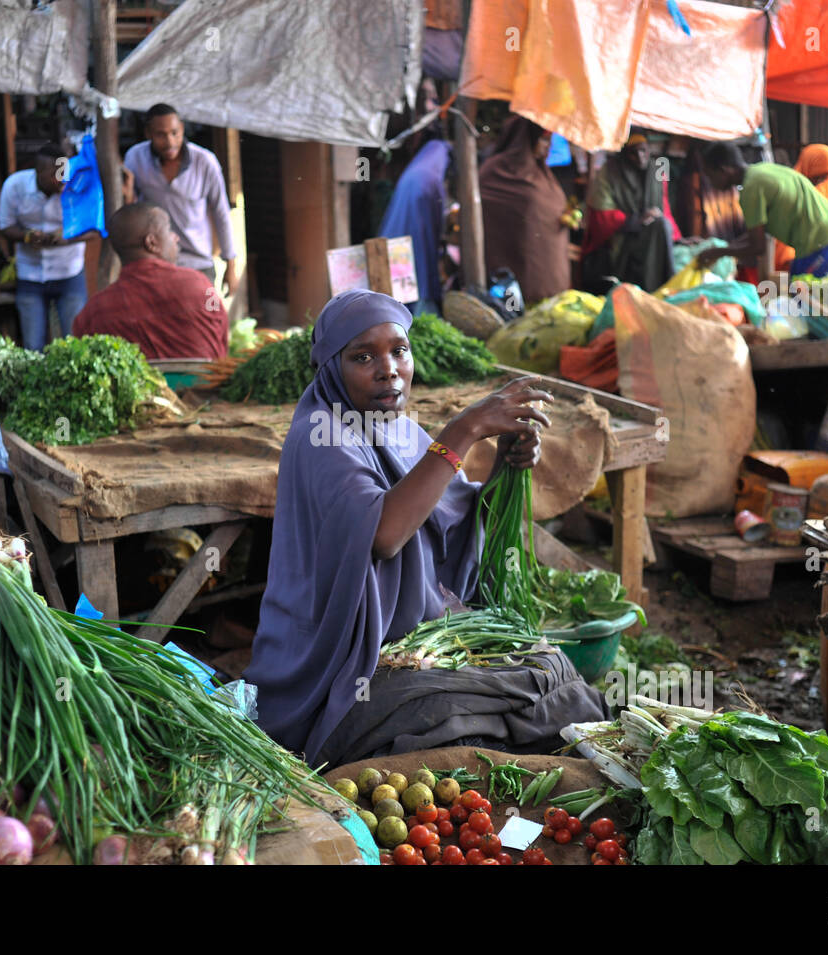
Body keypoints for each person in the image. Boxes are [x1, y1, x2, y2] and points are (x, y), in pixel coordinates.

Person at [244, 289, 607, 766]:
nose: (388, 368)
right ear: (331, 367)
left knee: (549, 669)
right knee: (482, 712)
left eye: (399, 350)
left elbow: (452, 523)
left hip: (411, 642)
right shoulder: (321, 436)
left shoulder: (398, 427)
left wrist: (505, 465)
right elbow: (387, 534)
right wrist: (463, 430)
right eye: (362, 357)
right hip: (344, 667)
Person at [72, 202, 228, 360]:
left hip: (136, 385)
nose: (176, 237)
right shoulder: (202, 286)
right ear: (152, 243)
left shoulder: (95, 311)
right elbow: (221, 337)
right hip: (204, 383)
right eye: (169, 230)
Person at [123, 103, 238, 294]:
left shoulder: (205, 162)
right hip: (156, 264)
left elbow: (221, 213)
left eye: (175, 133)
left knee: (201, 321)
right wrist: (127, 197)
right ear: (148, 133)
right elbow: (131, 213)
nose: (170, 141)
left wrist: (231, 265)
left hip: (199, 264)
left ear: (182, 130)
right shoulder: (135, 158)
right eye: (161, 135)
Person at [0, 143, 101, 351]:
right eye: (56, 175)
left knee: (74, 346)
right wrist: (27, 237)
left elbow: (96, 228)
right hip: (30, 275)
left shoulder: (78, 186)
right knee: (32, 347)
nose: (63, 181)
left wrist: (67, 238)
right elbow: (4, 226)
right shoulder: (15, 186)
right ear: (39, 172)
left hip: (69, 273)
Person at [697, 142, 828, 278]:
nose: (711, 183)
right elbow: (757, 233)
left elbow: (757, 246)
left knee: (813, 304)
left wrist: (717, 253)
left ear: (724, 170)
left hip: (821, 243)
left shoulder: (751, 189)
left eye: (710, 176)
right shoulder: (764, 170)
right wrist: (725, 248)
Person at [479, 115, 571, 304]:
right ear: (525, 139)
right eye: (544, 139)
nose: (549, 147)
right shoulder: (495, 170)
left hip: (549, 273)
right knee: (515, 313)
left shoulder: (542, 172)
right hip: (513, 266)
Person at [581, 134, 682, 291]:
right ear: (624, 154)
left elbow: (664, 207)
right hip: (623, 237)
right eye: (633, 153)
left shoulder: (658, 169)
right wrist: (636, 220)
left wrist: (677, 237)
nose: (640, 157)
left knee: (661, 226)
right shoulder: (609, 172)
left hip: (655, 231)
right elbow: (602, 216)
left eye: (643, 151)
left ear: (649, 150)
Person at [378, 134, 452, 314]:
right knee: (420, 284)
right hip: (418, 244)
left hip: (396, 241)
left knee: (398, 301)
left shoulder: (414, 173)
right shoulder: (430, 180)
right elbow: (438, 222)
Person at [773, 144, 828, 273]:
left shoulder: (824, 188)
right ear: (808, 167)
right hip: (793, 258)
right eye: (817, 175)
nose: (820, 180)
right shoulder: (790, 190)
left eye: (825, 176)